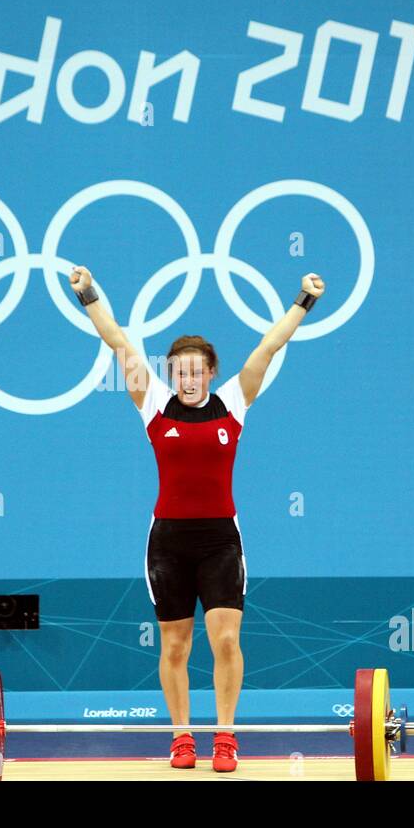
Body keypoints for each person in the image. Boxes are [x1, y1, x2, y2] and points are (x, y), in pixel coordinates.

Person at [69, 264, 325, 772]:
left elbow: (268, 348)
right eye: (180, 370)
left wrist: (303, 299)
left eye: (196, 370)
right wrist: (87, 292)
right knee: (175, 644)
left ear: (210, 372)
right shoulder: (153, 406)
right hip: (168, 544)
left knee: (226, 638)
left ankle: (225, 737)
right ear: (173, 375)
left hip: (220, 542)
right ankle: (181, 736)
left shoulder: (233, 402)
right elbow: (116, 340)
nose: (188, 378)